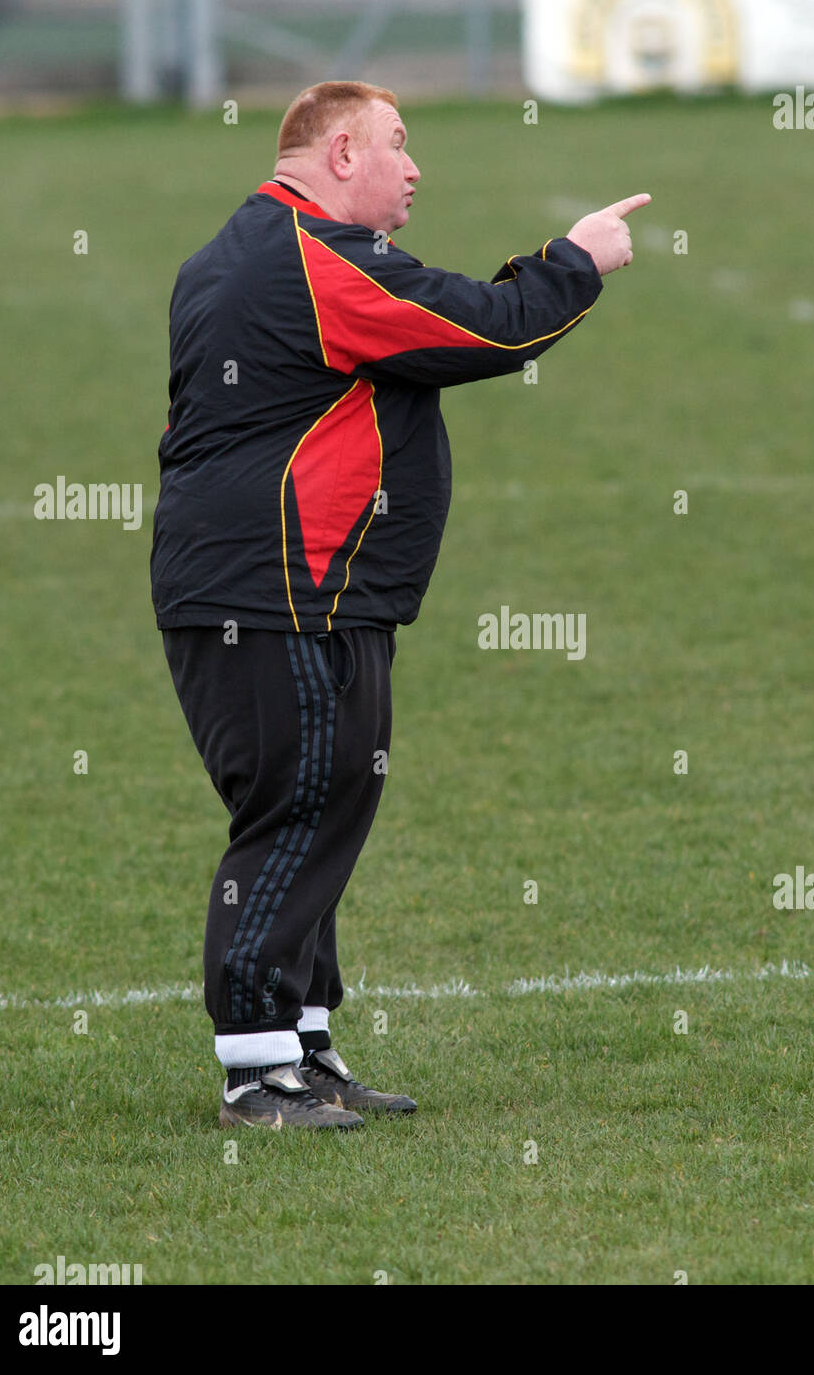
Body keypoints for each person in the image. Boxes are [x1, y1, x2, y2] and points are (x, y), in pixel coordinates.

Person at [151, 80, 649, 1130]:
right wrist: (574, 261)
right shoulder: (313, 259)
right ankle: (254, 1072)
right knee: (296, 808)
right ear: (338, 154)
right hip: (277, 588)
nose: (415, 167)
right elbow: (483, 329)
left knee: (326, 800)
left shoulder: (236, 253)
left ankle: (304, 1042)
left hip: (289, 587)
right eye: (397, 144)